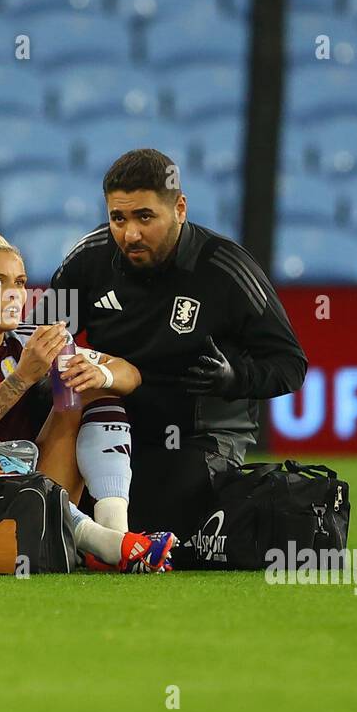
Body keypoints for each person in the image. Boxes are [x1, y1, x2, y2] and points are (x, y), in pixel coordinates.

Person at [38, 149, 307, 563]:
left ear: (179, 208)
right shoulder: (89, 260)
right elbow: (40, 344)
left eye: (145, 217)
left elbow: (291, 365)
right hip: (112, 429)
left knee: (156, 513)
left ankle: (96, 539)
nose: (129, 234)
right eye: (118, 218)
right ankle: (97, 539)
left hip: (198, 439)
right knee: (43, 482)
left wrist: (233, 379)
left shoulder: (224, 268)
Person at [0, 226, 175, 573]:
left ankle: (114, 532)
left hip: (28, 495)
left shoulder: (28, 339)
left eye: (19, 282)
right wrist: (23, 377)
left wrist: (99, 374)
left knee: (91, 388)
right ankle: (107, 545)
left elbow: (129, 373)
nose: (15, 294)